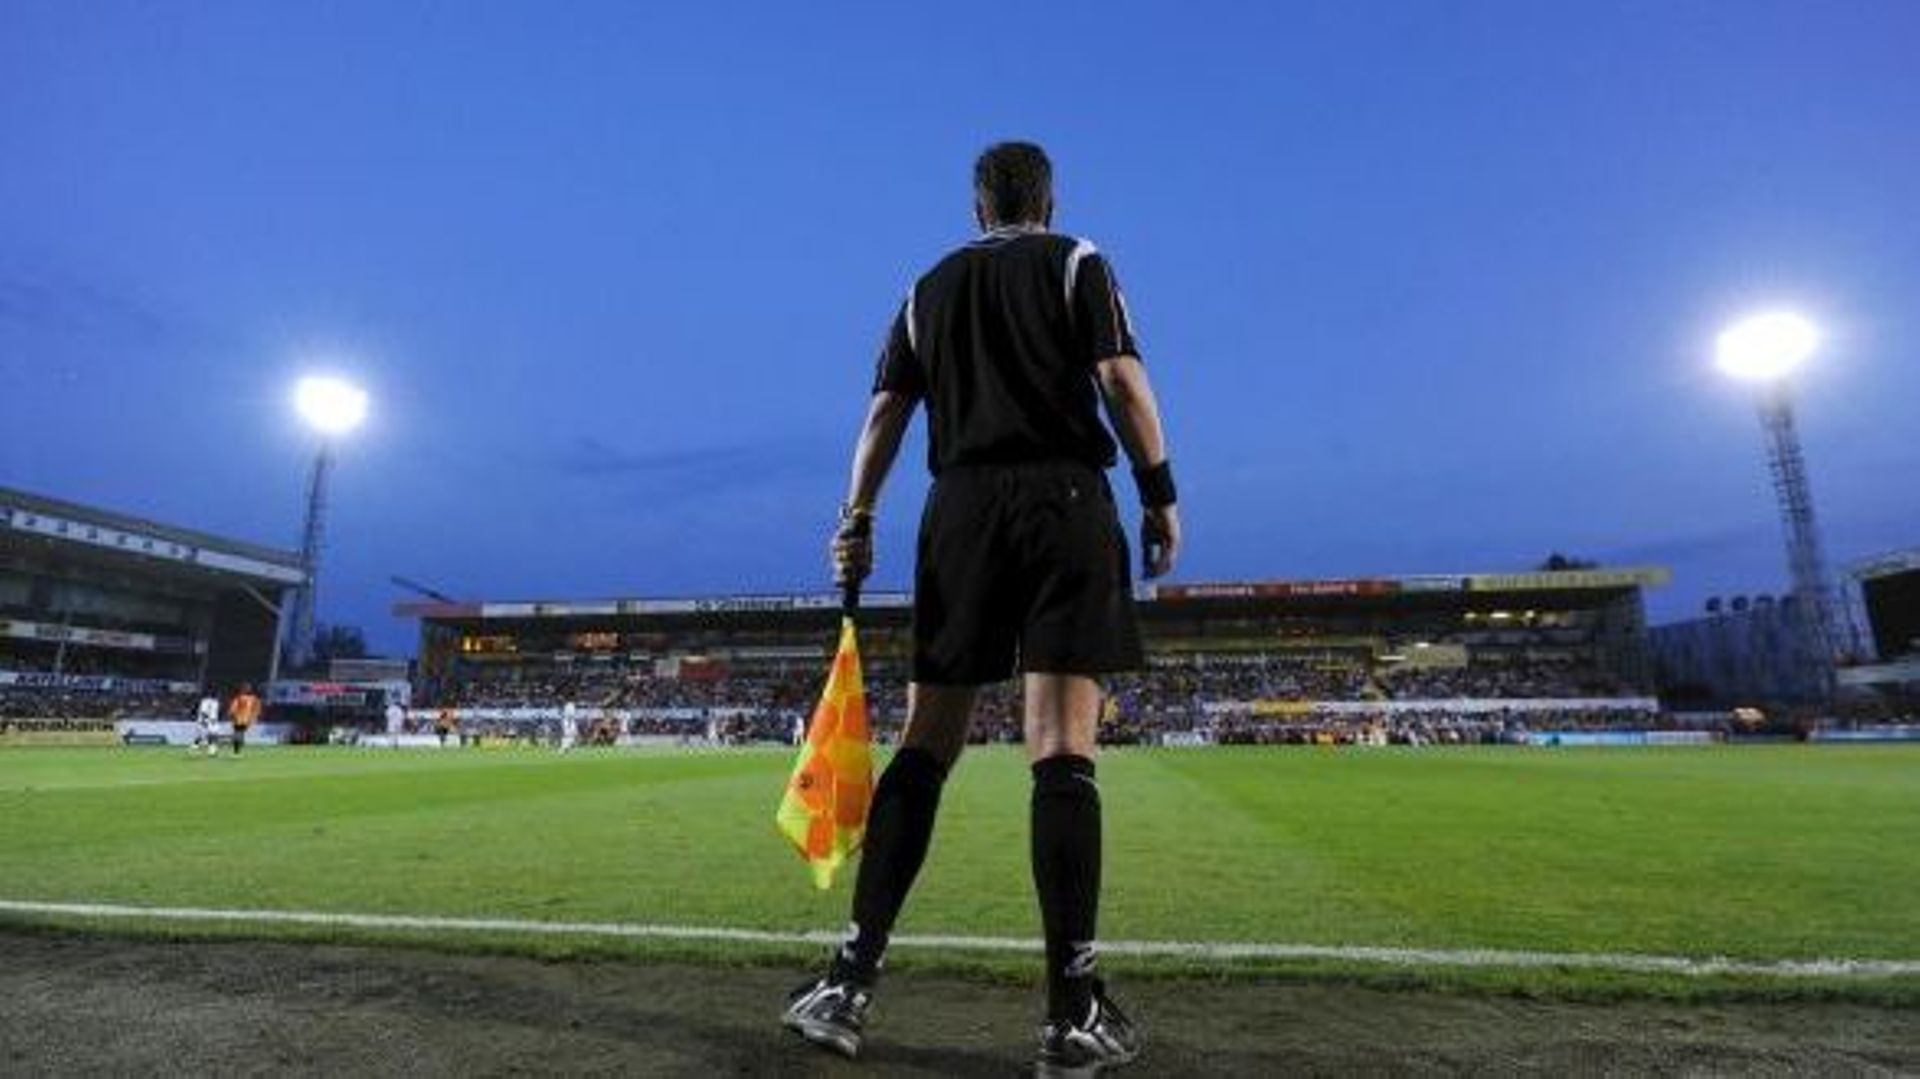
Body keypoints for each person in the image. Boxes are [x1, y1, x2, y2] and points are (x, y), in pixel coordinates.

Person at [782, 141, 1180, 1074]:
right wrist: (1160, 491)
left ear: (976, 208)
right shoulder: (1079, 260)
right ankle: (1070, 1009)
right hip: (1064, 502)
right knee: (1062, 746)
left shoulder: (928, 286)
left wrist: (856, 518)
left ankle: (848, 982)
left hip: (957, 509)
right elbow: (1122, 380)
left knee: (927, 743)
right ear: (1049, 199)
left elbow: (883, 414)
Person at [227, 684, 260, 756]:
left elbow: (233, 708)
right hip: (247, 720)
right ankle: (238, 750)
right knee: (240, 733)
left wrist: (230, 714)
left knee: (238, 733)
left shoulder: (239, 698)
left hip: (239, 719)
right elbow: (257, 709)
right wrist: (254, 717)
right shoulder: (254, 698)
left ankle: (236, 751)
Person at [193, 691, 220, 757]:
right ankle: (195, 748)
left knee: (212, 735)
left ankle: (211, 750)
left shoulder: (216, 702)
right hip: (206, 721)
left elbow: (215, 713)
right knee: (205, 736)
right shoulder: (205, 702)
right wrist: (204, 721)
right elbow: (203, 712)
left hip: (213, 721)